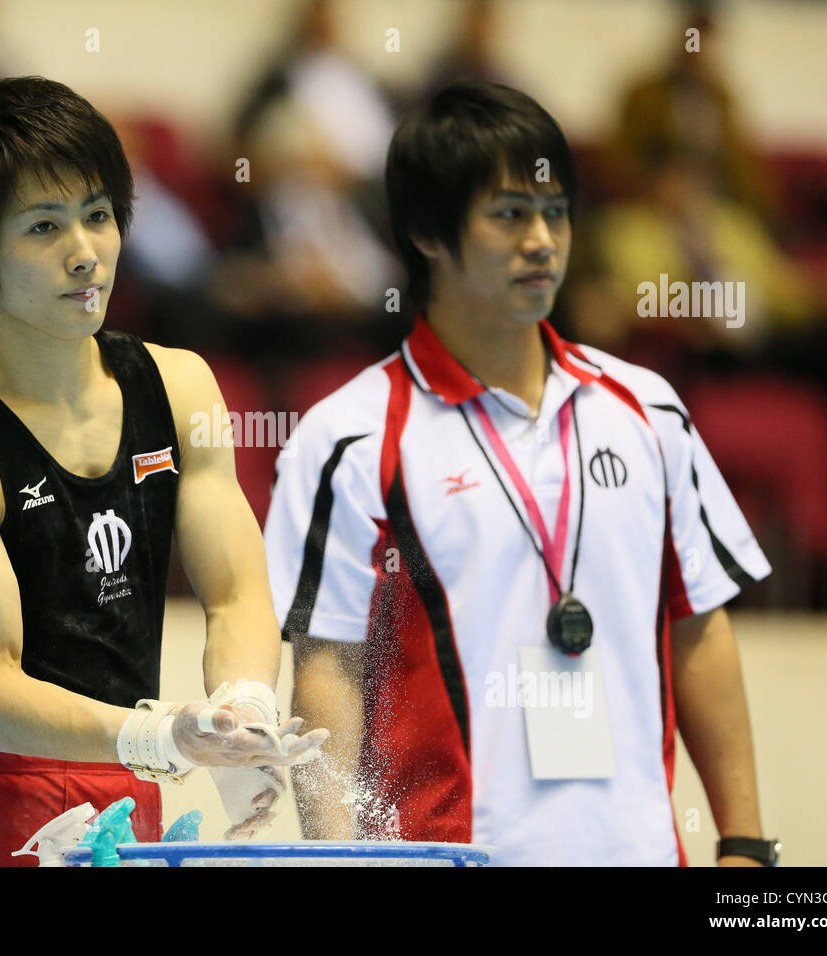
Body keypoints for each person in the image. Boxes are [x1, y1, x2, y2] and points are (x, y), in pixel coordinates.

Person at [265, 80, 779, 867]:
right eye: (509, 214)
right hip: (452, 855)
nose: (542, 239)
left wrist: (744, 843)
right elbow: (329, 671)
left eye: (557, 211)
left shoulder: (649, 412)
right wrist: (342, 861)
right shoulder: (349, 437)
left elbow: (699, 625)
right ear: (429, 234)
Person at [0, 76, 326, 866]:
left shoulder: (180, 387)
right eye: (44, 227)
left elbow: (237, 591)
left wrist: (242, 713)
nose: (85, 253)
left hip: (133, 801)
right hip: (7, 815)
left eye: (99, 216)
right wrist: (161, 735)